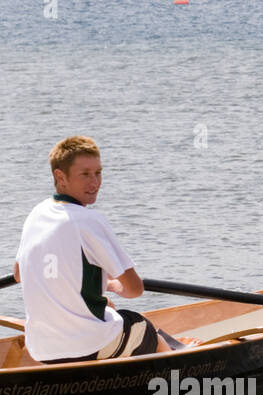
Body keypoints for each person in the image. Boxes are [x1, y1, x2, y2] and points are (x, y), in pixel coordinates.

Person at [13, 136, 190, 364]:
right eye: (85, 174)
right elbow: (134, 289)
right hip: (85, 347)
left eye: (98, 173)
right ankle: (178, 362)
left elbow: (19, 275)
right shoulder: (89, 220)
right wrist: (113, 285)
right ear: (60, 177)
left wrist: (96, 288)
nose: (95, 183)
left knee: (108, 307)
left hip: (40, 349)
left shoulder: (36, 214)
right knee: (141, 325)